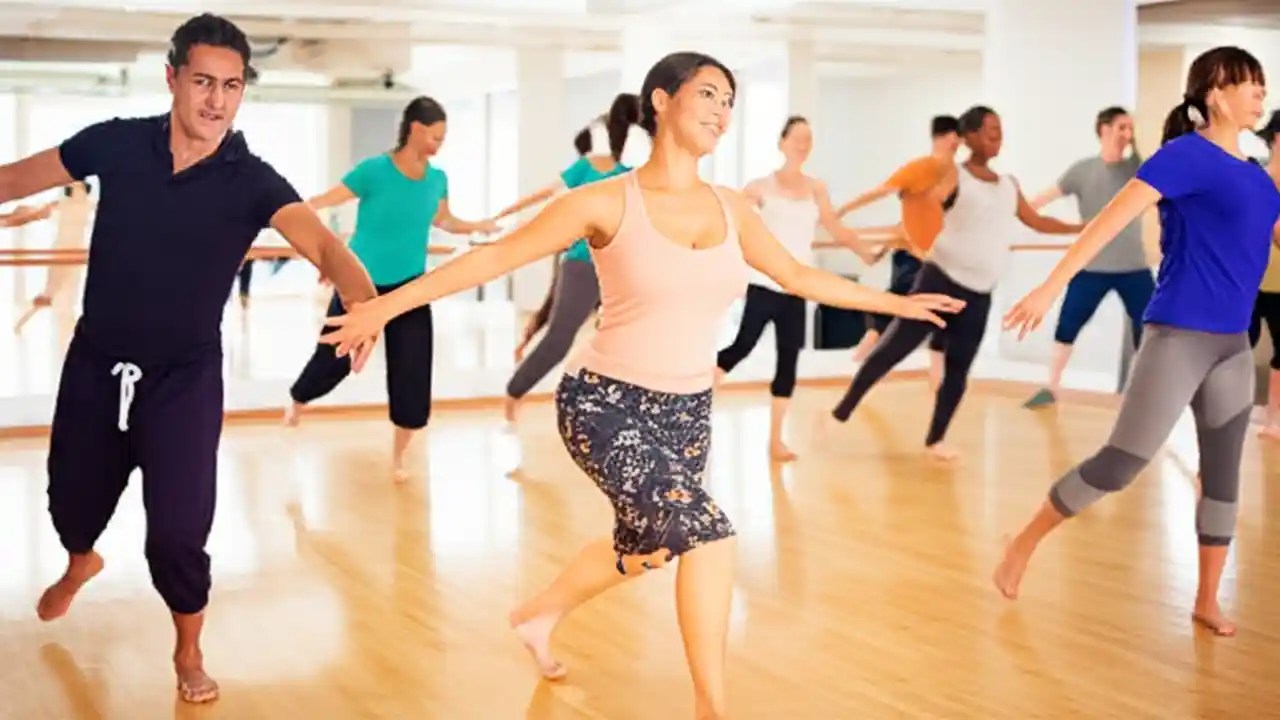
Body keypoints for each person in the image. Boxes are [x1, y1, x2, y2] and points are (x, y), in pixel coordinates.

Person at [315, 51, 964, 719]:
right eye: (708, 93)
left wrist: (902, 305)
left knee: (652, 545)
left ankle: (536, 617)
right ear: (661, 100)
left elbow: (798, 277)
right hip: (605, 402)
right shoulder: (603, 200)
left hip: (688, 411)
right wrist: (384, 307)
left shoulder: (732, 208)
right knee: (707, 532)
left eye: (729, 100)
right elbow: (496, 256)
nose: (721, 110)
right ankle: (711, 708)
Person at [0, 13, 379, 703]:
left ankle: (188, 649)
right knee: (70, 502)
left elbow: (324, 247)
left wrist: (363, 301)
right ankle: (81, 560)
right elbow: (12, 179)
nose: (216, 100)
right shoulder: (114, 144)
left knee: (178, 530)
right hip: (95, 365)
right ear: (172, 78)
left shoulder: (252, 180)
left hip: (186, 379)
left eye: (232, 86)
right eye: (203, 81)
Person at [995, 47, 1280, 637]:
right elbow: (1109, 223)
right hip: (1178, 335)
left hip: (1231, 344)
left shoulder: (1256, 175)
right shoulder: (1185, 157)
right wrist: (1052, 286)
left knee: (1224, 478)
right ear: (1215, 94)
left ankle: (1205, 599)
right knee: (1122, 463)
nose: (1261, 92)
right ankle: (1022, 543)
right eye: (1249, 83)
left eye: (1263, 83)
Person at [828, 105, 1082, 462]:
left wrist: (1081, 229)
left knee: (959, 368)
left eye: (1001, 131)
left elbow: (1037, 221)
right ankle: (842, 409)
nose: (998, 137)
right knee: (893, 348)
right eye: (991, 130)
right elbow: (922, 210)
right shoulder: (954, 177)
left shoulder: (1009, 184)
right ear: (970, 137)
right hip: (940, 279)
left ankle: (936, 440)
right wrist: (903, 234)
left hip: (978, 294)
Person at [283, 96, 498, 481]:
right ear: (415, 128)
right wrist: (298, 230)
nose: (438, 145)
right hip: (360, 285)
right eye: (435, 136)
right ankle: (298, 400)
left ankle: (398, 456)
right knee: (333, 360)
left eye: (443, 138)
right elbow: (323, 202)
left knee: (412, 373)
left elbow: (445, 221)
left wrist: (478, 226)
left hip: (409, 288)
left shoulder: (437, 179)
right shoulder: (374, 171)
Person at [714, 115, 875, 462]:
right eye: (796, 138)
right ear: (782, 143)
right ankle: (690, 404)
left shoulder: (817, 188)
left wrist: (864, 251)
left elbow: (834, 226)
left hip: (797, 288)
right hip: (764, 283)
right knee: (740, 347)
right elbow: (728, 218)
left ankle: (776, 441)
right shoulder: (759, 187)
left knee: (788, 361)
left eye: (807, 140)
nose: (802, 145)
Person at [493, 93, 641, 423]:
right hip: (584, 266)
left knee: (625, 336)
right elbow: (548, 194)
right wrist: (506, 212)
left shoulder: (638, 173)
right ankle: (515, 391)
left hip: (620, 267)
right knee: (560, 339)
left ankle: (612, 407)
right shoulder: (591, 167)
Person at [1023, 107, 1155, 408]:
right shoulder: (1081, 170)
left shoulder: (1137, 169)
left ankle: (1144, 392)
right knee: (1067, 324)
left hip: (1133, 267)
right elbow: (1042, 199)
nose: (1128, 134)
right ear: (1104, 129)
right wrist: (1015, 211)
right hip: (1092, 266)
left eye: (1130, 128)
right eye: (1122, 127)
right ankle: (1051, 387)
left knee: (1150, 325)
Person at [840, 115, 961, 385]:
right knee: (894, 307)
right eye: (956, 136)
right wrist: (844, 210)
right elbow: (883, 194)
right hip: (914, 258)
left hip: (934, 258)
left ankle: (935, 375)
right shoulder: (920, 170)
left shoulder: (954, 177)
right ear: (946, 137)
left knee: (940, 312)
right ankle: (861, 361)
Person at [11, 182, 92, 333]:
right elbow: (40, 212)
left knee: (69, 294)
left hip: (76, 253)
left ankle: (71, 328)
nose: (78, 192)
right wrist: (27, 213)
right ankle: (22, 321)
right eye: (74, 189)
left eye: (80, 189)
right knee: (49, 293)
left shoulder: (88, 205)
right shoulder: (62, 204)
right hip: (60, 250)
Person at [1250, 110, 1280, 439]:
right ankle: (1223, 418)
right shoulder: (1253, 175)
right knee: (1238, 347)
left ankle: (1273, 421)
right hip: (1247, 281)